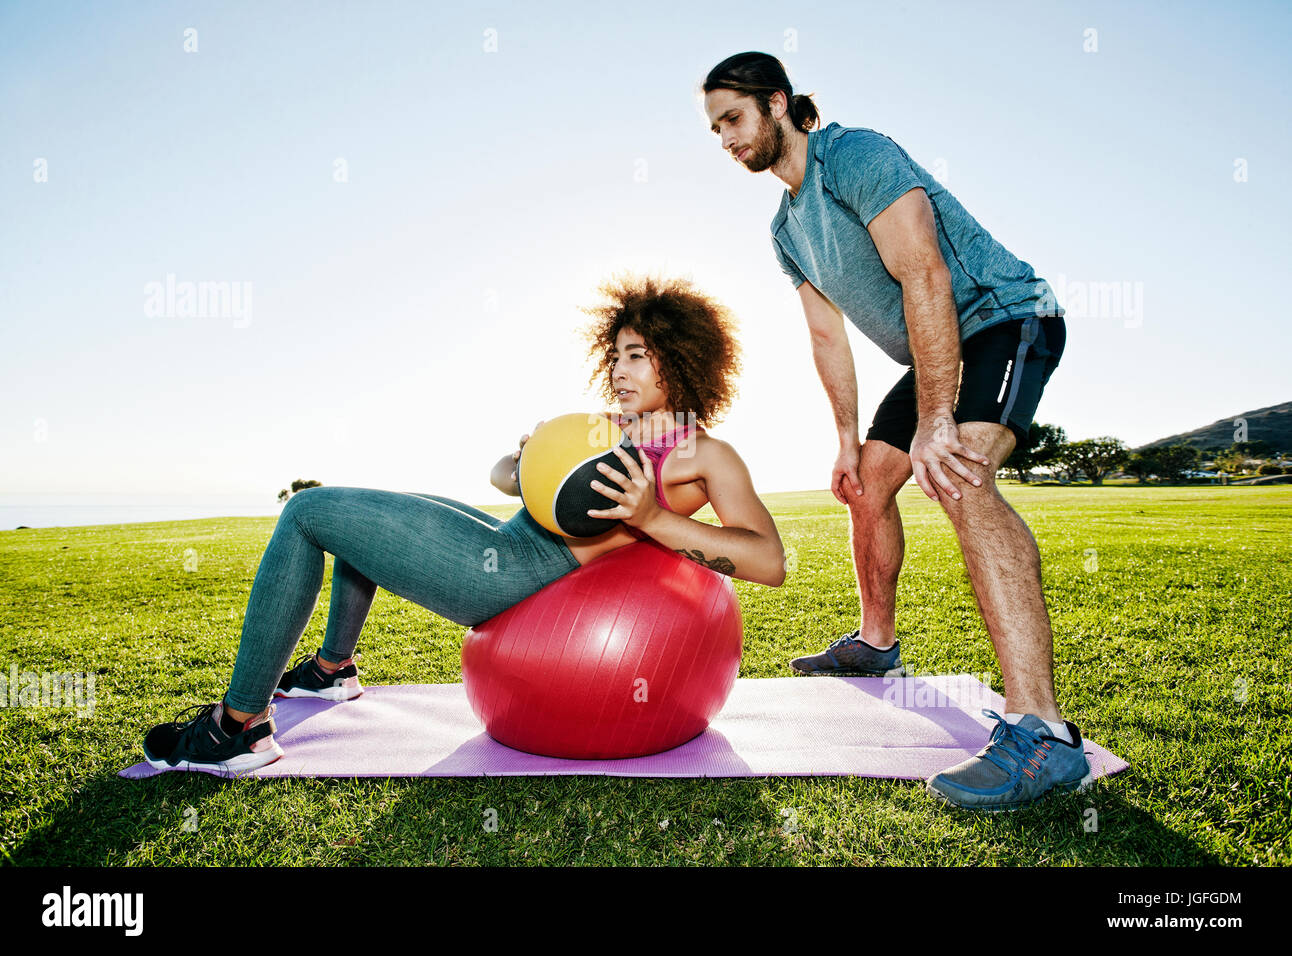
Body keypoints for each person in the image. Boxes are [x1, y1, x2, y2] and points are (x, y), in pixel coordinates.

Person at [141, 273, 785, 775]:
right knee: (381, 508)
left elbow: (767, 563)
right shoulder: (602, 431)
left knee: (308, 512)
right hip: (510, 538)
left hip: (514, 576)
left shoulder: (706, 455)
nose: (618, 370)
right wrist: (527, 459)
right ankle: (331, 670)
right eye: (614, 356)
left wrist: (651, 519)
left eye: (637, 356)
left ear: (681, 358)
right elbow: (505, 480)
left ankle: (238, 727)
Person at [701, 52, 1091, 810]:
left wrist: (939, 417)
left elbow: (927, 276)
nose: (723, 138)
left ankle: (1042, 733)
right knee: (869, 483)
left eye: (733, 119)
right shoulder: (786, 229)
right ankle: (876, 646)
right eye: (714, 127)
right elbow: (827, 339)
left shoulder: (858, 156)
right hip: (934, 345)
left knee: (958, 474)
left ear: (777, 103)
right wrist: (848, 439)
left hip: (1004, 318)